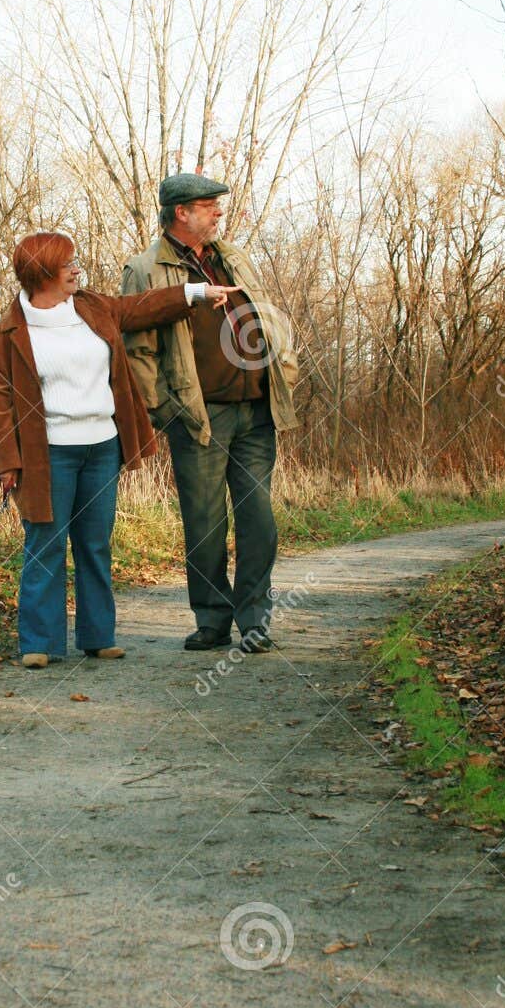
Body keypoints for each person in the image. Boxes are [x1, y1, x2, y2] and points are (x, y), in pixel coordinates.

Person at [0, 231, 238, 668]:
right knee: (45, 544)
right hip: (48, 456)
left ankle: (98, 636)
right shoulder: (4, 336)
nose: (77, 270)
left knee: (95, 544)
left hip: (101, 448)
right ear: (43, 274)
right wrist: (8, 463)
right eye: (68, 265)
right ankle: (39, 643)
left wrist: (194, 292)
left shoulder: (92, 308)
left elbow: (140, 308)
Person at [121, 173, 300, 653]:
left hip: (256, 413)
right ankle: (213, 620)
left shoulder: (232, 258)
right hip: (199, 417)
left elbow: (268, 315)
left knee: (259, 518)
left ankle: (256, 620)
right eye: (209, 206)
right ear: (182, 212)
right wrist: (164, 409)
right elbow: (137, 349)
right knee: (204, 524)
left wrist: (284, 367)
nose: (219, 213)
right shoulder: (146, 269)